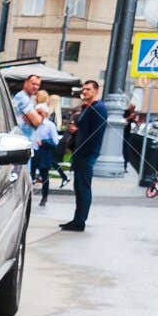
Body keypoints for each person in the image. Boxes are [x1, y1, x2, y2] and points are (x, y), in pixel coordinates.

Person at [62, 79, 107, 232]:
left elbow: (95, 133)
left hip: (86, 153)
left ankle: (80, 222)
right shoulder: (88, 107)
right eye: (84, 89)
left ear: (96, 91)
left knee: (83, 187)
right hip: (81, 152)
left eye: (88, 89)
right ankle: (77, 219)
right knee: (79, 187)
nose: (85, 91)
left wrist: (78, 132)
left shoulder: (99, 108)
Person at [31, 111, 60, 207]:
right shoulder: (32, 123)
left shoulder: (50, 125)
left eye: (40, 113)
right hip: (31, 152)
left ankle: (44, 197)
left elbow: (55, 142)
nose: (38, 115)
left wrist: (43, 142)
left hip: (43, 154)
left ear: (45, 114)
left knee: (44, 177)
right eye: (37, 113)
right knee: (29, 175)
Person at [12, 73, 45, 137]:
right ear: (26, 83)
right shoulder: (23, 98)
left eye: (38, 85)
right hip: (21, 138)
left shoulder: (26, 97)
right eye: (33, 84)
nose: (35, 87)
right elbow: (37, 122)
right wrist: (43, 114)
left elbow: (34, 123)